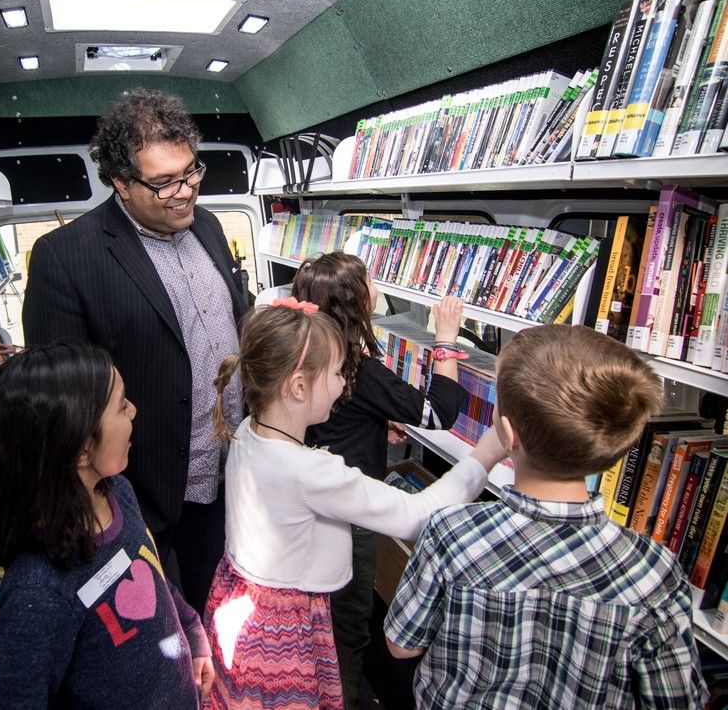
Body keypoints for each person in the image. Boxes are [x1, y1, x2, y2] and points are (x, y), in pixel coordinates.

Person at [384, 325, 708, 709]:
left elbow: (401, 645)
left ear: (507, 433)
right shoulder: (655, 572)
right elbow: (676, 700)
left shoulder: (452, 532)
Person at [203, 300, 504, 709]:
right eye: (336, 373)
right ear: (297, 387)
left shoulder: (247, 430)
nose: (345, 384)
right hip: (287, 628)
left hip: (241, 607)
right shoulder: (313, 472)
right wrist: (486, 453)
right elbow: (417, 515)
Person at [22, 89, 248, 615]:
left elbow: (228, 318)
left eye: (191, 172)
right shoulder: (67, 257)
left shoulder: (210, 226)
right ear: (120, 183)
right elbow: (62, 406)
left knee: (221, 618)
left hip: (231, 474)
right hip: (144, 497)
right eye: (163, 182)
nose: (185, 192)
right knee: (166, 641)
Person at [0, 343, 214, 708]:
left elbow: (152, 577)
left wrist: (191, 631)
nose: (133, 409)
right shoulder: (39, 592)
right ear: (82, 446)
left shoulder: (119, 492)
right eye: (121, 405)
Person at [291, 251, 468, 709]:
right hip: (349, 514)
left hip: (306, 508)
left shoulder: (305, 355)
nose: (376, 288)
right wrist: (445, 340)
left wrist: (371, 423)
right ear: (355, 302)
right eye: (368, 281)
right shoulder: (358, 366)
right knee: (350, 624)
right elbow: (438, 412)